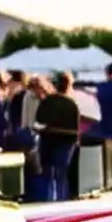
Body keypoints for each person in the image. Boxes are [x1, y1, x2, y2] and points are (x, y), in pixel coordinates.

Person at [33, 72, 81, 202]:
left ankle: (48, 199)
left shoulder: (47, 102)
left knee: (48, 174)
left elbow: (38, 122)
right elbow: (77, 128)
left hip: (48, 142)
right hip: (66, 143)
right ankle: (61, 200)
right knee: (61, 175)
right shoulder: (72, 104)